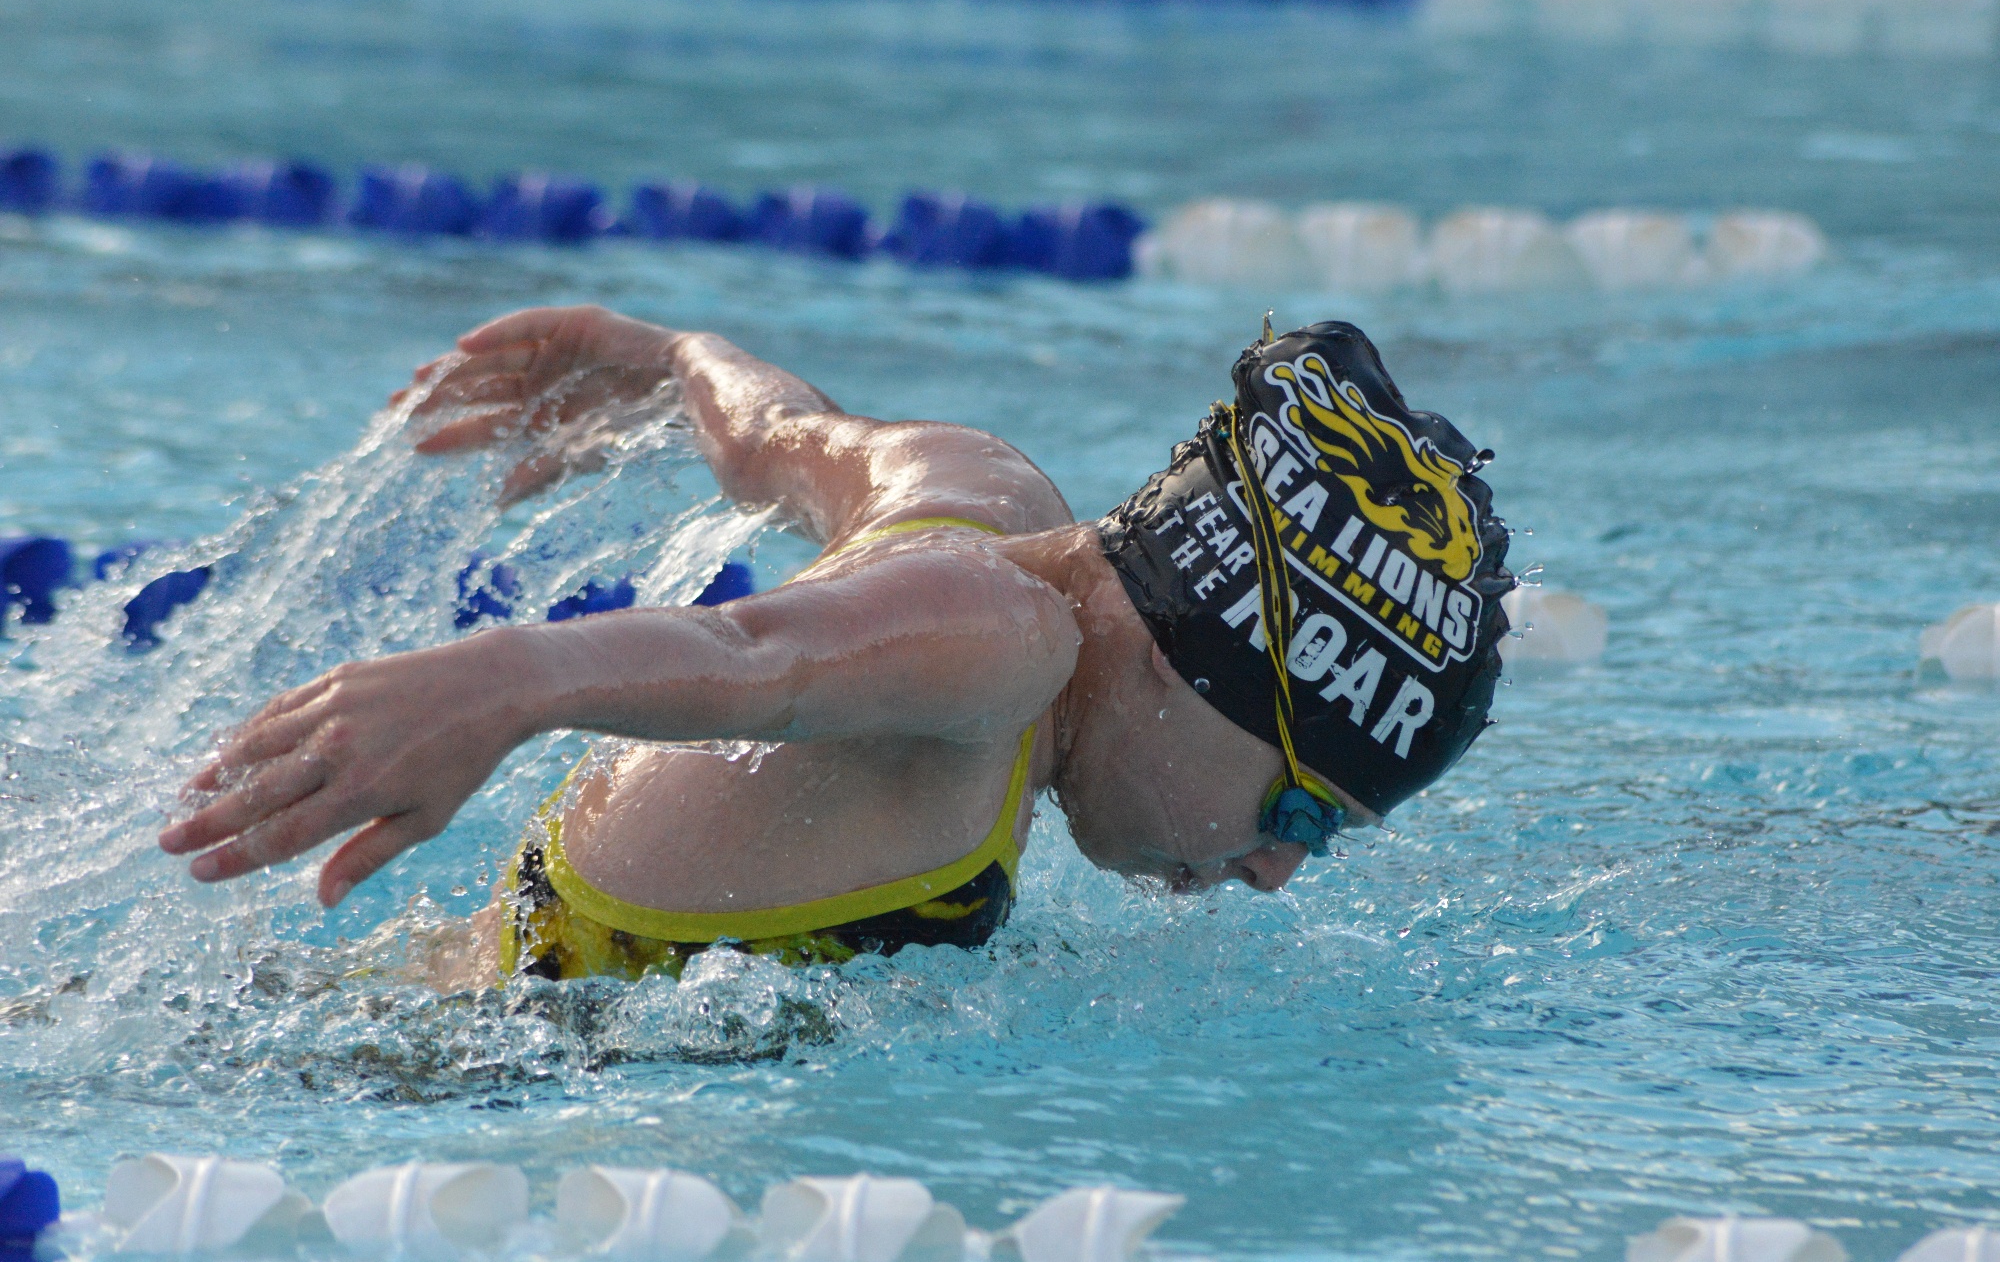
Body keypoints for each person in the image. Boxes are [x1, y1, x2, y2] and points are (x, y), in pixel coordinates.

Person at [161, 305, 1514, 985]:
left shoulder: (980, 491)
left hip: (435, 1001)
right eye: (1302, 809)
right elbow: (755, 653)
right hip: (406, 1076)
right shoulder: (1004, 645)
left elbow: (774, 436)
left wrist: (668, 355)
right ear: (1196, 662)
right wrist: (495, 687)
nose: (1276, 871)